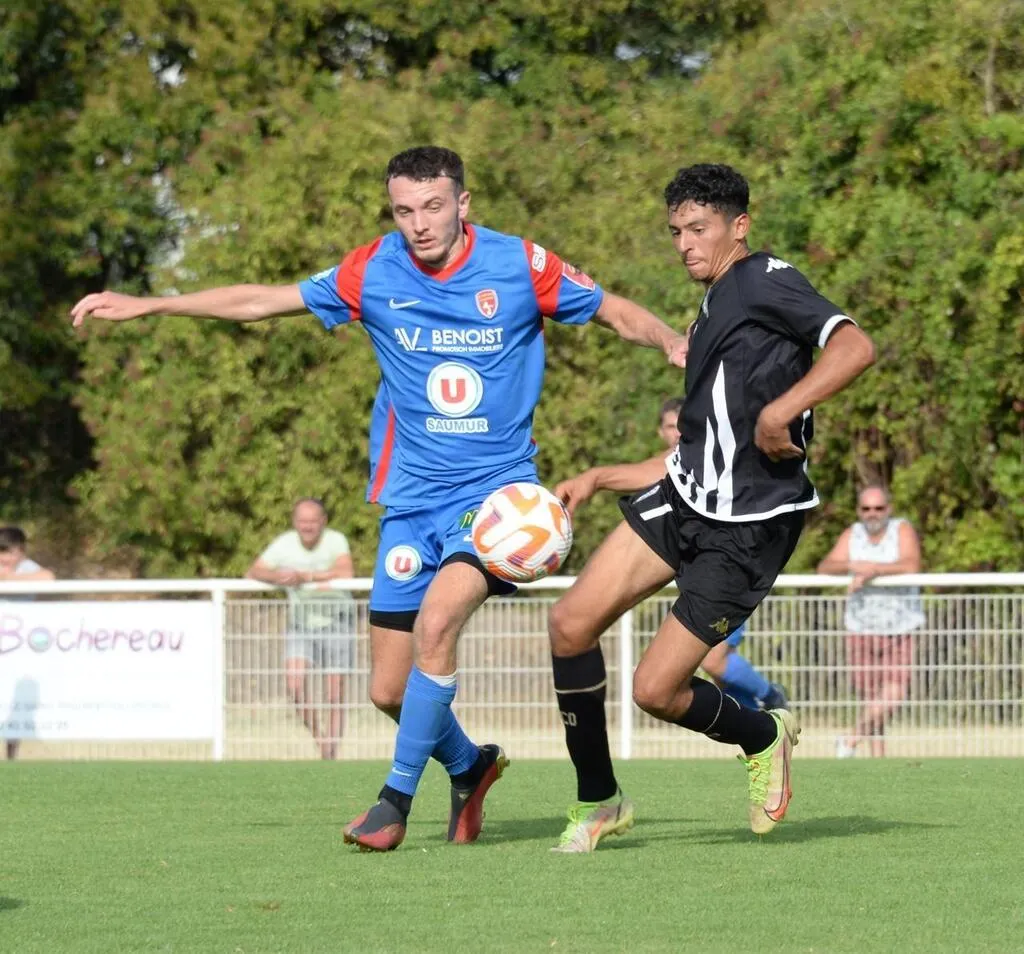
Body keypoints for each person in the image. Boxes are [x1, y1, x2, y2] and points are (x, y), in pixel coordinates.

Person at [71, 145, 688, 851]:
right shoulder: (372, 270)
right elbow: (261, 302)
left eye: (432, 207)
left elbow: (611, 310)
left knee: (436, 628)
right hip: (408, 504)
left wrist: (669, 337)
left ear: (463, 203)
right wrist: (155, 304)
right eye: (404, 210)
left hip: (493, 504)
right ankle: (470, 765)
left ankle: (392, 804)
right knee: (389, 693)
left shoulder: (519, 264)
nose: (419, 224)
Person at [546, 162, 876, 852]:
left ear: (739, 226)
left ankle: (763, 733)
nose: (684, 243)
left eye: (699, 228)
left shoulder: (765, 279)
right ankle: (599, 800)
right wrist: (603, 476)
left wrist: (787, 407)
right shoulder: (716, 301)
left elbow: (855, 345)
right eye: (676, 230)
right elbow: (699, 449)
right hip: (686, 497)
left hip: (746, 527)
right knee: (571, 624)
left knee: (655, 691)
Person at [556, 396, 790, 713]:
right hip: (695, 569)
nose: (678, 433)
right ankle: (766, 724)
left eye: (683, 425)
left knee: (712, 660)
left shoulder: (721, 441)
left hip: (728, 555)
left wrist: (598, 478)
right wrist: (596, 478)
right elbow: (656, 470)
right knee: (690, 678)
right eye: (671, 427)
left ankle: (771, 698)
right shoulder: (679, 463)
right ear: (661, 432)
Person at [816, 484, 923, 757]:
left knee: (894, 692)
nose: (872, 514)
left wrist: (873, 571)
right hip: (861, 625)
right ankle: (878, 758)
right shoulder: (853, 534)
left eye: (878, 508)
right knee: (871, 697)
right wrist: (853, 566)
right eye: (866, 508)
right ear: (858, 511)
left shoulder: (901, 529)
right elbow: (826, 567)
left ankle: (850, 739)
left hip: (900, 625)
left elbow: (911, 564)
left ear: (889, 509)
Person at [247, 498, 356, 760]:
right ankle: (320, 740)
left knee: (335, 691)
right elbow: (253, 571)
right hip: (301, 623)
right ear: (295, 522)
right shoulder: (284, 543)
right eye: (302, 521)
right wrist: (281, 577)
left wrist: (306, 577)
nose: (307, 527)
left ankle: (331, 752)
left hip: (337, 620)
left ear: (323, 522)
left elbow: (345, 572)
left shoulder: (336, 540)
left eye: (312, 521)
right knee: (295, 685)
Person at [0, 526, 56, 760]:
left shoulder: (26, 569)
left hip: (16, 647)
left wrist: (8, 578)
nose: (4, 558)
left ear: (21, 552)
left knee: (15, 704)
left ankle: (11, 755)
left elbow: (49, 578)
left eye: (8, 552)